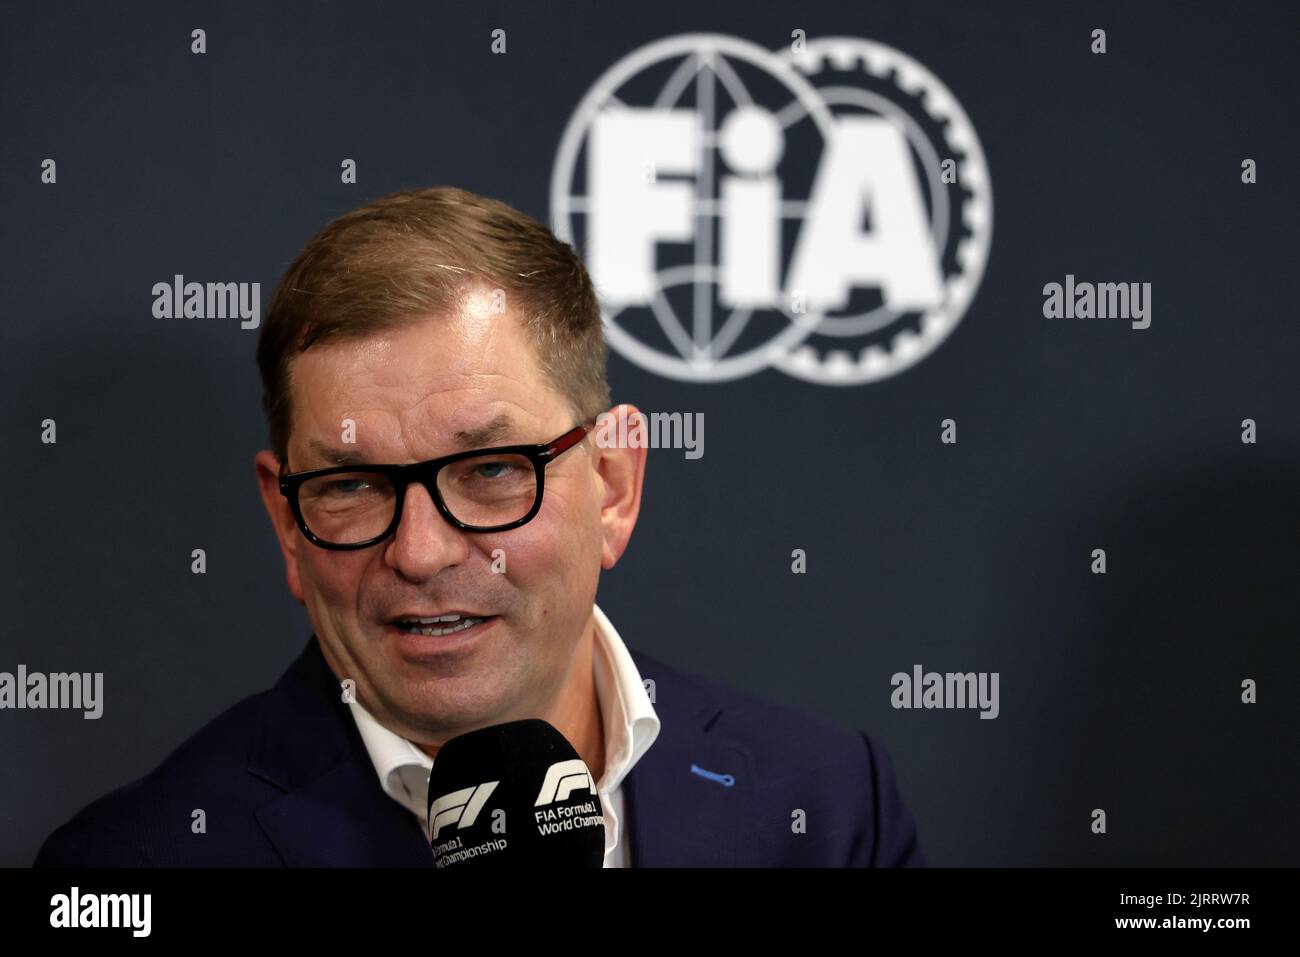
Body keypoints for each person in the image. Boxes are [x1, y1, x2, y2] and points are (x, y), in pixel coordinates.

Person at [34, 187, 923, 867]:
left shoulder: (832, 805)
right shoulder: (134, 866)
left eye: (492, 471)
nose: (419, 551)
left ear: (613, 484)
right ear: (287, 523)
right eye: (351, 484)